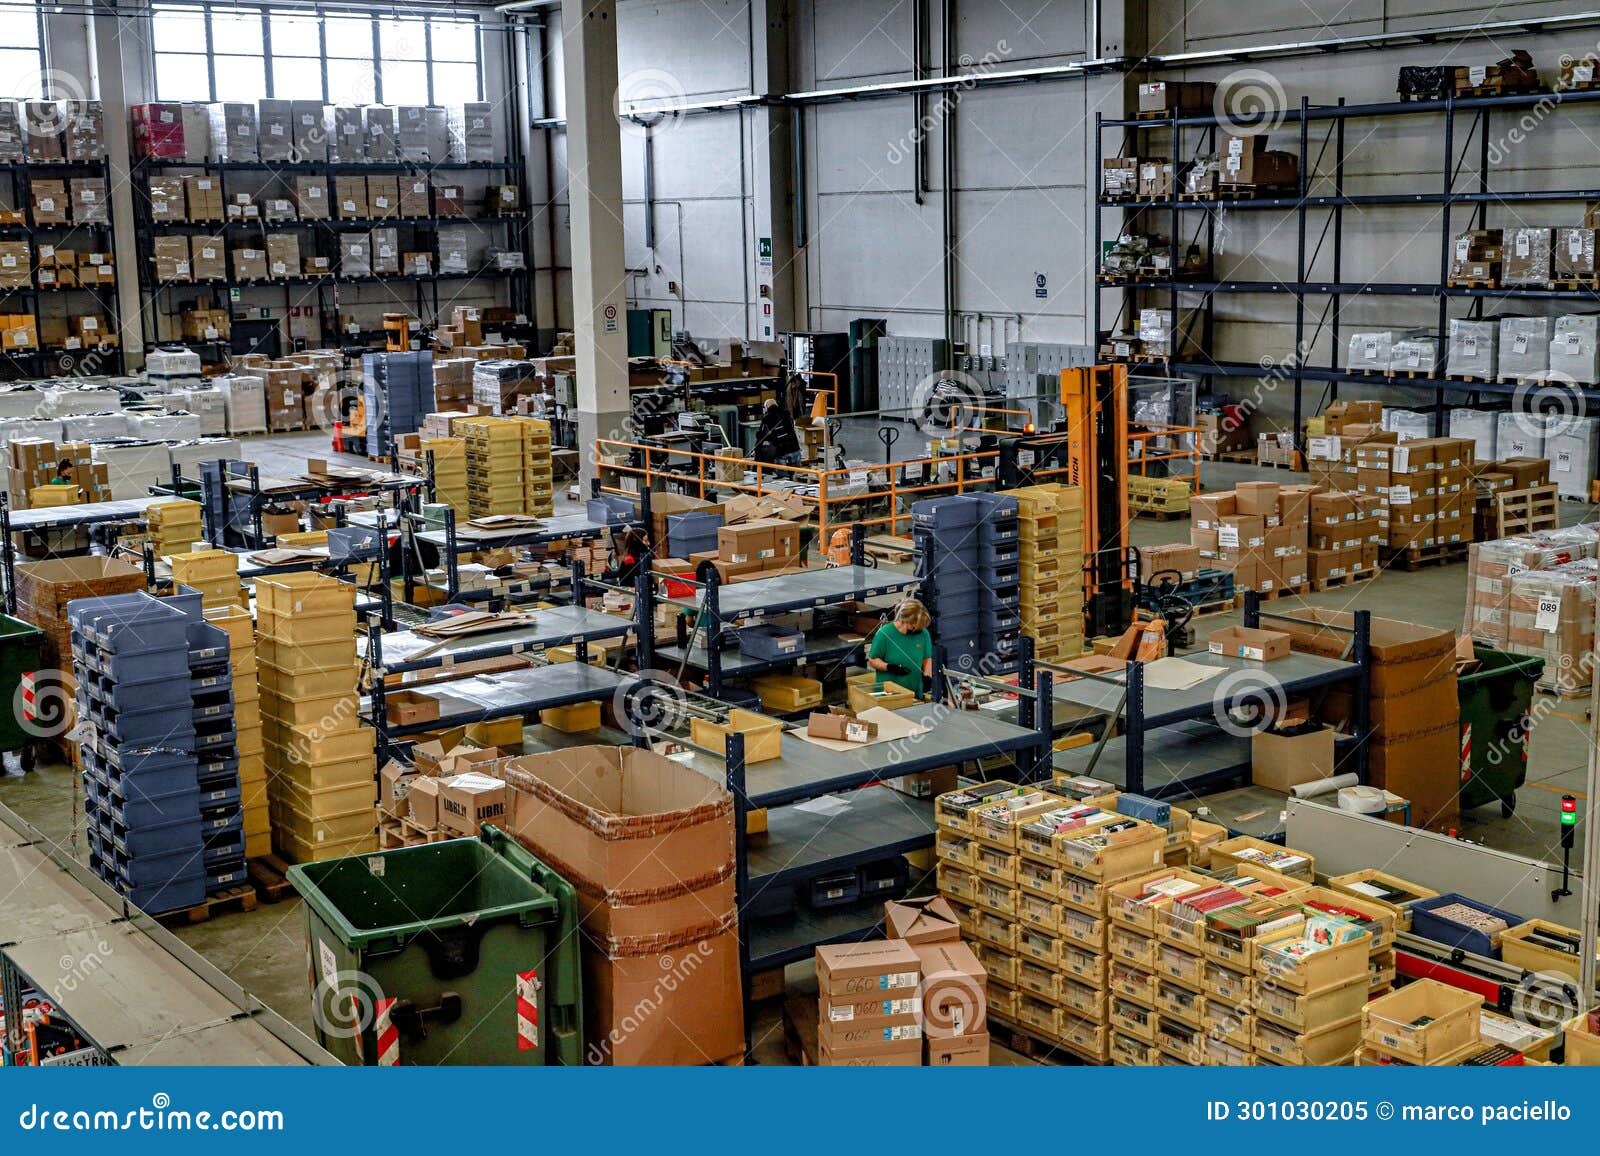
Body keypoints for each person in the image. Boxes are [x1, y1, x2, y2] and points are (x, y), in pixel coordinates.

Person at [866, 598, 934, 698]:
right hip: (889, 693)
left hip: (914, 691)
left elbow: (927, 658)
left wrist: (927, 677)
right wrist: (890, 667)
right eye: (915, 627)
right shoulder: (884, 634)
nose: (919, 630)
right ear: (905, 621)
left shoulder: (923, 633)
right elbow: (873, 660)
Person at [752, 396, 802, 467]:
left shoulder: (767, 418)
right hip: (795, 449)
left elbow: (761, 436)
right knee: (797, 474)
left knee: (783, 477)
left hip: (782, 452)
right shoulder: (786, 415)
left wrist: (756, 450)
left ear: (766, 407)